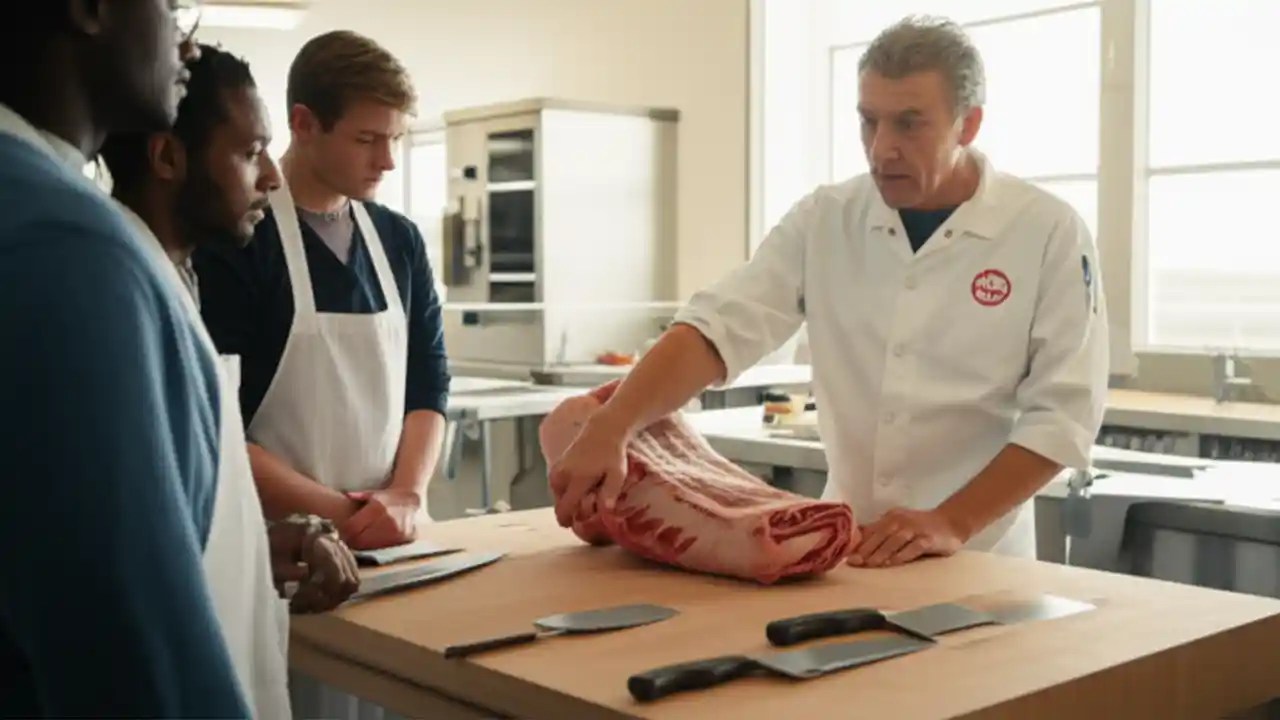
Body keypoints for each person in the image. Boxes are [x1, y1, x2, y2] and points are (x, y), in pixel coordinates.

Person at [550, 15, 1109, 568]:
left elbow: (1063, 414)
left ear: (968, 125)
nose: (882, 148)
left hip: (980, 556)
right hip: (844, 552)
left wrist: (952, 521)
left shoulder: (1046, 231)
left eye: (909, 124)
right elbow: (721, 325)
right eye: (869, 121)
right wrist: (614, 424)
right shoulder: (827, 217)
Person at [98, 43, 363, 720]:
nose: (272, 176)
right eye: (251, 152)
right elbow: (116, 570)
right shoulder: (117, 299)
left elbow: (175, 521)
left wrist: (264, 538)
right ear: (168, 158)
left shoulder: (171, 283)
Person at [0, 2, 250, 716]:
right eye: (172, 5)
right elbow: (136, 659)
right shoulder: (64, 245)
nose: (188, 43)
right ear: (87, 8)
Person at [194, 30, 451, 556]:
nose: (387, 161)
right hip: (279, 547)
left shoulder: (398, 240)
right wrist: (346, 516)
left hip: (393, 537)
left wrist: (405, 494)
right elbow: (217, 422)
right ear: (303, 123)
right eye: (366, 139)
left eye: (395, 139)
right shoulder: (240, 241)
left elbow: (429, 384)